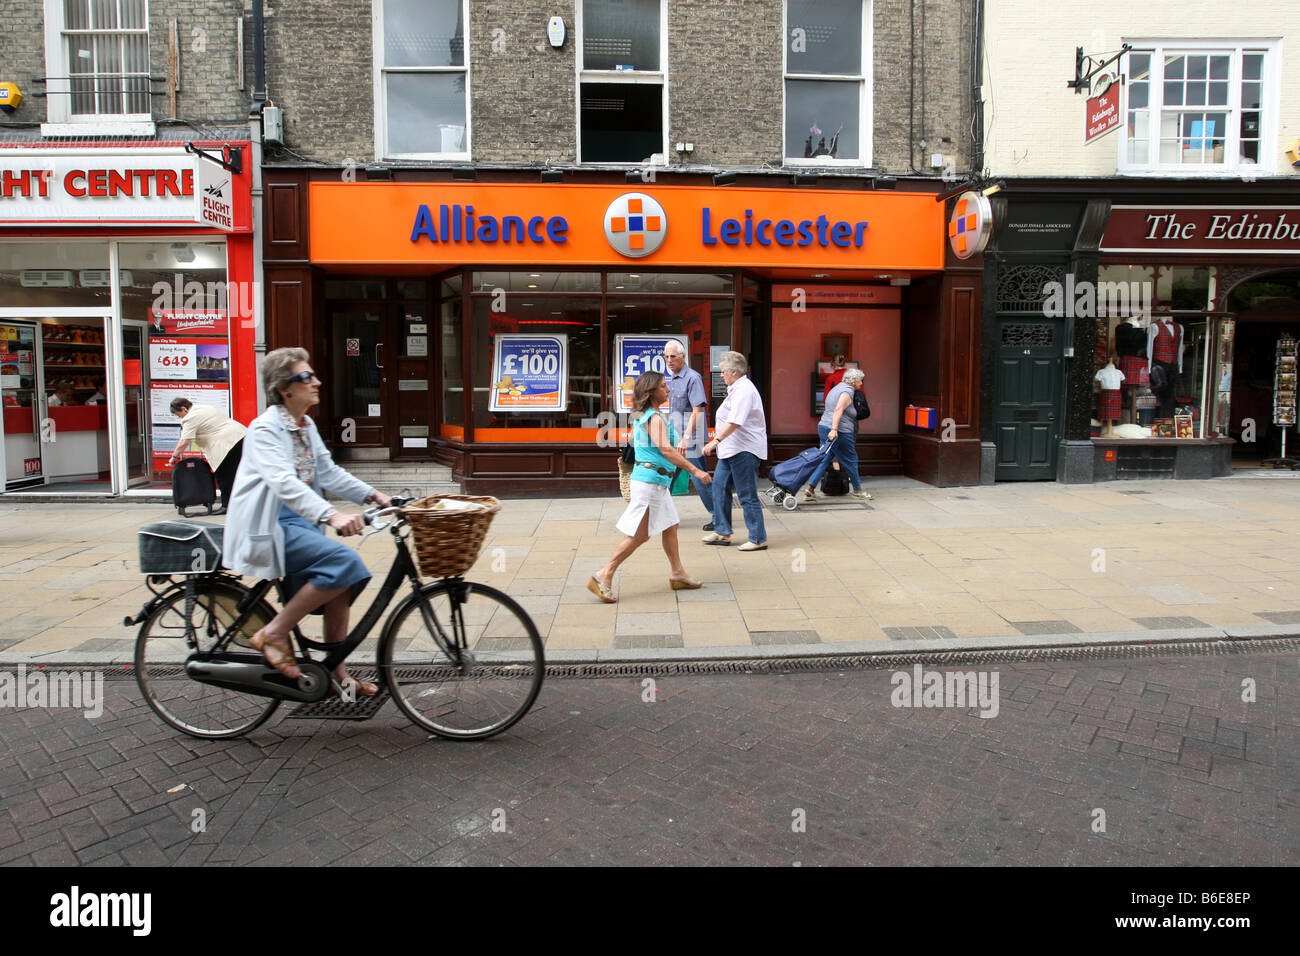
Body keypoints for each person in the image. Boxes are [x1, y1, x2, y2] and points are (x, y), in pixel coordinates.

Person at [223, 347, 392, 696]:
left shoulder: (305, 423)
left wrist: (374, 496)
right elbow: (283, 482)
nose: (316, 382)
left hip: (299, 522)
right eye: (306, 377)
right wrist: (332, 515)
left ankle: (336, 674)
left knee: (342, 581)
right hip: (270, 525)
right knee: (345, 562)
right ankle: (272, 633)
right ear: (285, 388)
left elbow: (328, 472)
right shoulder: (264, 430)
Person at [588, 371, 712, 603]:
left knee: (671, 526)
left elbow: (666, 448)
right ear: (651, 391)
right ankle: (604, 574)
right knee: (639, 535)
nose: (669, 389)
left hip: (656, 482)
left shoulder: (650, 415)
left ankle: (678, 574)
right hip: (649, 483)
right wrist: (695, 470)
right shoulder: (653, 418)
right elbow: (665, 450)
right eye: (664, 386)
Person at [700, 351, 768, 551]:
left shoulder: (744, 390)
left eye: (723, 372)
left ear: (734, 372)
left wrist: (715, 441)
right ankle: (722, 531)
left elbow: (735, 421)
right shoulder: (737, 389)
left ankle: (758, 538)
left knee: (747, 495)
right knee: (719, 488)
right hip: (731, 450)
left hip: (744, 449)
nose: (721, 375)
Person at [662, 340, 715, 529]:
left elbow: (697, 410)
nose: (669, 360)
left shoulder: (693, 378)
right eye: (666, 356)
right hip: (676, 438)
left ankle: (719, 517)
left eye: (673, 356)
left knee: (700, 477)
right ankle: (661, 515)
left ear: (683, 357)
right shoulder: (673, 378)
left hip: (690, 439)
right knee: (668, 476)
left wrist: (686, 437)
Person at [166, 397, 248, 514]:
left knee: (224, 476)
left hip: (226, 444)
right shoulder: (204, 408)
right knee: (239, 473)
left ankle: (227, 506)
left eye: (178, 415)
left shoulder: (189, 418)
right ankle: (242, 503)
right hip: (241, 435)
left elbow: (185, 441)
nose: (180, 418)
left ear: (183, 409)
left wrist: (174, 457)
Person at [803, 367, 872, 502]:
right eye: (860, 381)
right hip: (840, 431)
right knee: (851, 459)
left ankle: (809, 489)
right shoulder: (847, 391)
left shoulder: (836, 388)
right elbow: (838, 409)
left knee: (825, 458)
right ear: (853, 380)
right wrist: (834, 429)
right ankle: (858, 490)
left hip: (823, 426)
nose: (861, 384)